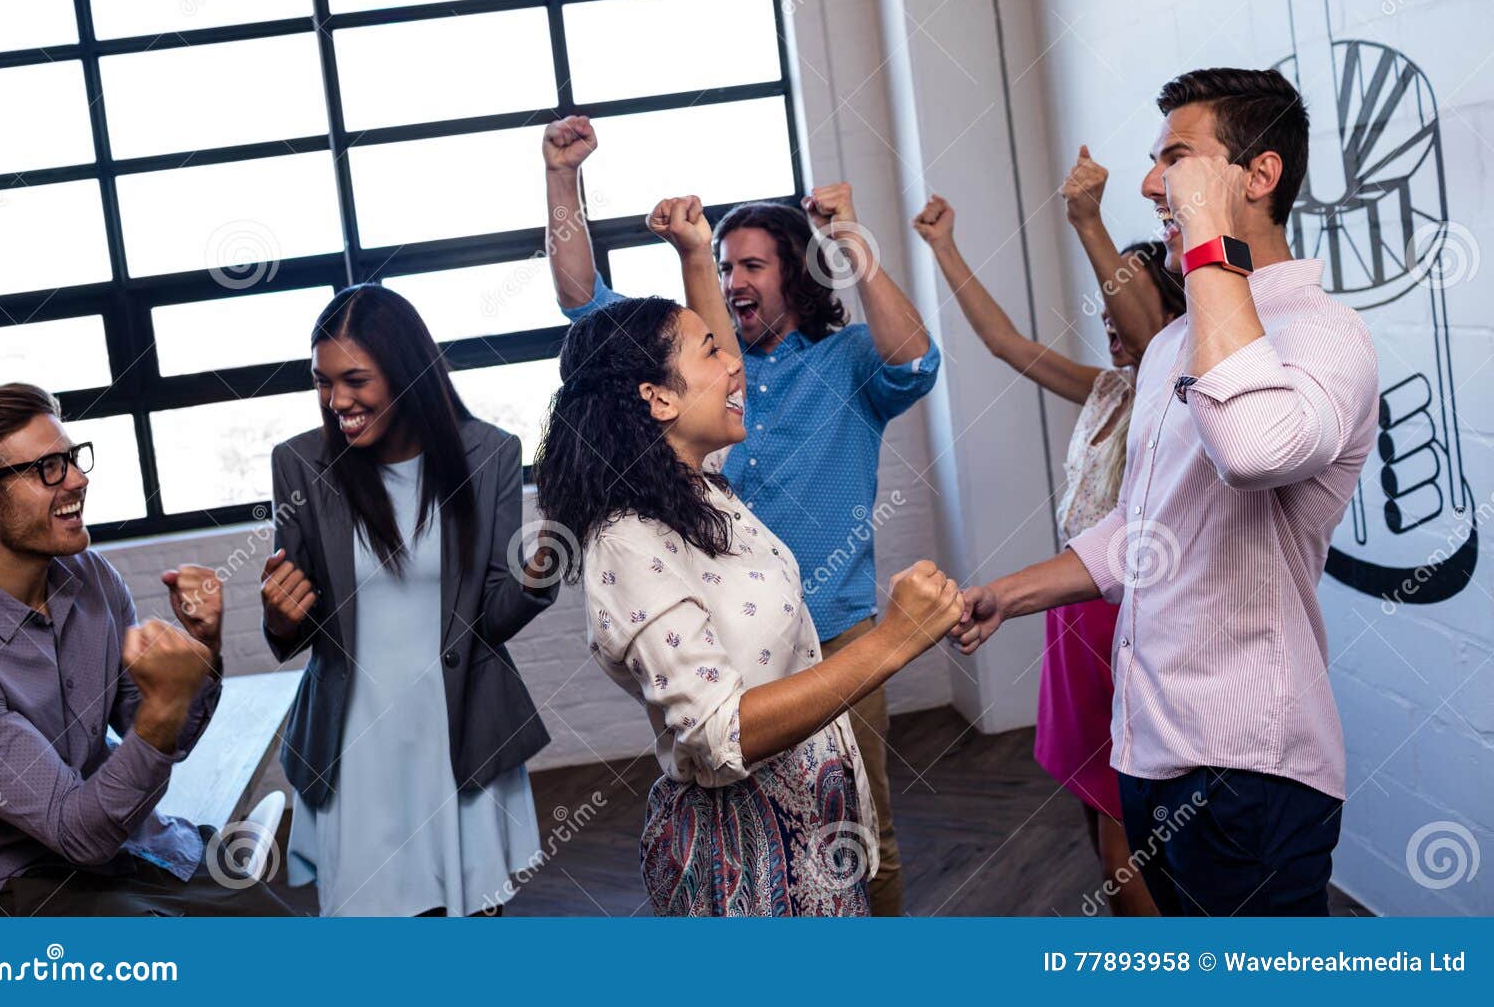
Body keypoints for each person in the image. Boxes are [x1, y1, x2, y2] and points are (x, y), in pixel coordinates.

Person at [952, 68, 1380, 916]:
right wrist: (1012, 591)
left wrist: (1208, 239)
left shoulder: (1326, 335)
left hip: (1250, 763)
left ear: (1257, 177)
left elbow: (1251, 450)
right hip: (1149, 747)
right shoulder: (1173, 343)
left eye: (1176, 158)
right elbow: (1140, 525)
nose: (1151, 182)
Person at [541, 116, 941, 915]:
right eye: (723, 268)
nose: (730, 281)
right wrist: (562, 181)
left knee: (864, 836)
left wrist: (850, 239)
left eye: (749, 264)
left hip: (839, 631)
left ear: (796, 274)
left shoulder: (839, 364)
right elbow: (585, 302)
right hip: (734, 688)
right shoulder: (693, 392)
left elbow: (917, 360)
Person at [0, 383, 294, 916]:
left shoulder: (89, 576)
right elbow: (77, 833)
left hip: (142, 848)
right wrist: (163, 708)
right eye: (48, 467)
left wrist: (200, 650)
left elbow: (158, 739)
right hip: (31, 895)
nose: (77, 479)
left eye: (72, 458)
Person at [913, 150, 1185, 917]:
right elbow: (1005, 343)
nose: (1111, 320)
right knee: (1100, 811)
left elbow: (1155, 341)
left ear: (1168, 315)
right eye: (1106, 306)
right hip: (1072, 606)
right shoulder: (1105, 387)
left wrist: (1086, 219)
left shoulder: (1180, 393)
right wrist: (945, 249)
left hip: (1124, 613)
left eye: (1125, 303)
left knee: (1117, 824)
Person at [261, 283, 559, 917]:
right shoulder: (300, 464)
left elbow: (492, 616)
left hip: (457, 731)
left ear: (407, 372)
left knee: (471, 923)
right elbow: (298, 619)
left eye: (355, 380)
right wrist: (279, 615)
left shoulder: (489, 455)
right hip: (355, 744)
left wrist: (536, 576)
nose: (336, 400)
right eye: (322, 381)